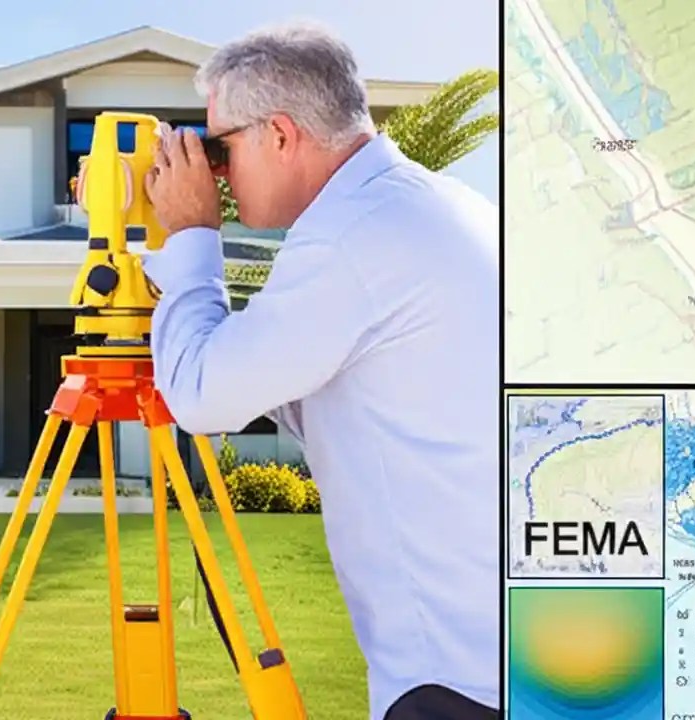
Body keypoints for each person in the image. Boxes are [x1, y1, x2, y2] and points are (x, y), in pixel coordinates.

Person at [140, 20, 501, 720]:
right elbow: (318, 381)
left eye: (221, 147)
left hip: (455, 682)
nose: (216, 171)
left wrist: (190, 235)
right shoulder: (429, 205)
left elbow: (202, 397)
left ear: (279, 134)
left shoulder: (350, 237)